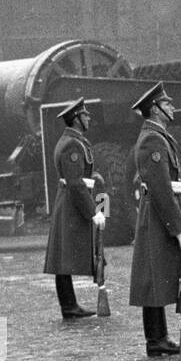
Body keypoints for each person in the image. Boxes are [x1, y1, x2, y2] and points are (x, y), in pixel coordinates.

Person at [128, 83, 181, 358]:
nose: (173, 107)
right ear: (155, 109)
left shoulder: (157, 136)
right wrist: (178, 227)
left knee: (155, 276)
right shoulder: (153, 139)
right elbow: (159, 186)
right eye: (167, 104)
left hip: (158, 212)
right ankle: (156, 339)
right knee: (153, 277)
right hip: (158, 214)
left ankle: (159, 337)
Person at [42, 98, 104, 320]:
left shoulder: (72, 141)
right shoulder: (72, 144)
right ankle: (68, 306)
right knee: (63, 257)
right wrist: (93, 212)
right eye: (85, 115)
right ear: (76, 118)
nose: (89, 118)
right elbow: (75, 182)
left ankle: (69, 304)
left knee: (63, 256)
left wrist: (92, 176)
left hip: (67, 201)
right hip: (70, 203)